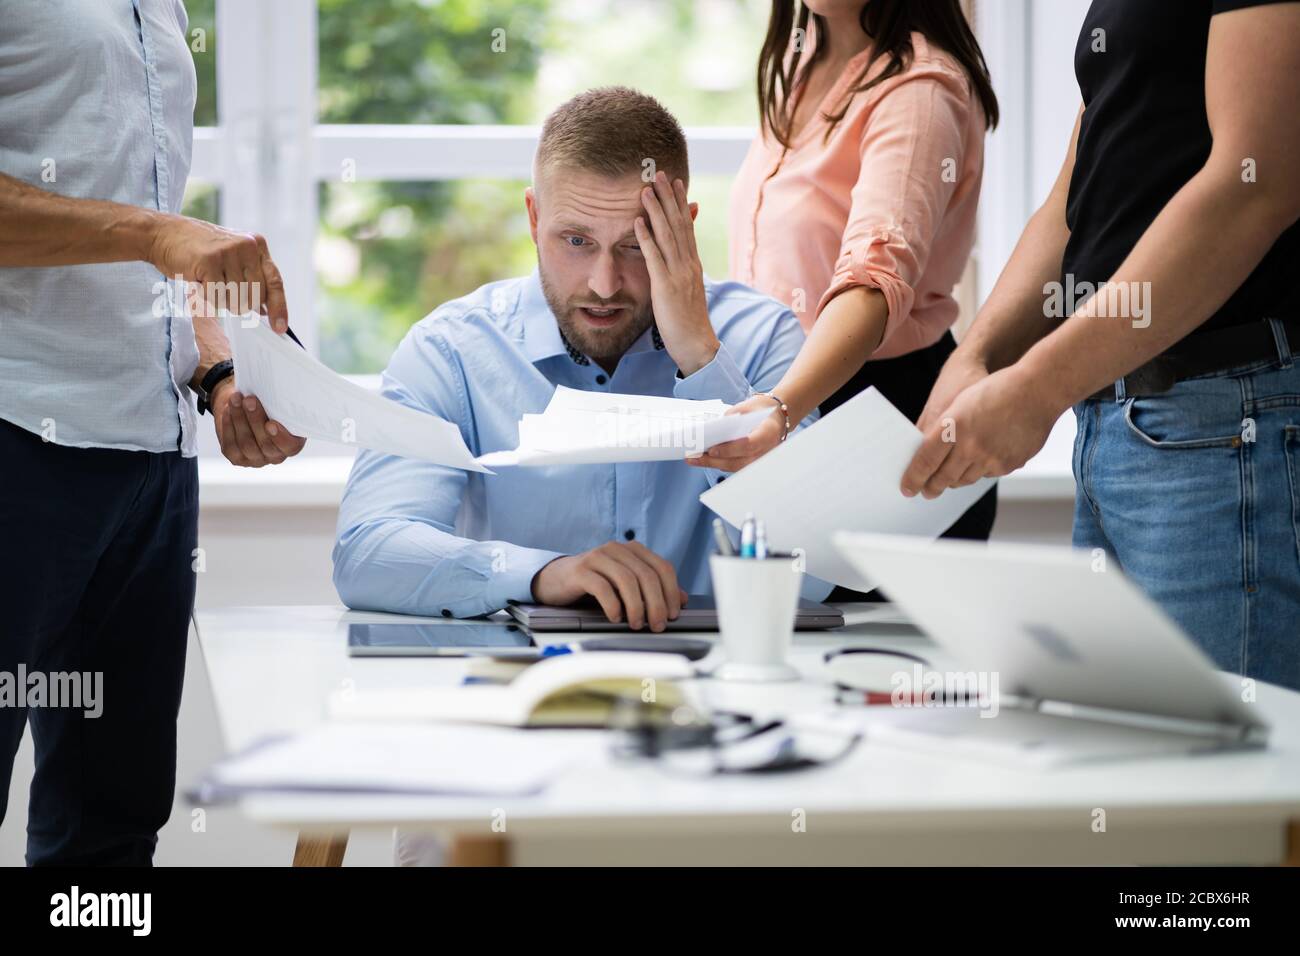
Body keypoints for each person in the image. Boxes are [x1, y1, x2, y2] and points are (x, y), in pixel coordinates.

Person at [900, 0, 1300, 690]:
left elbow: (1257, 182)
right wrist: (979, 357)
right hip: (1116, 430)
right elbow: (1074, 200)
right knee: (1127, 744)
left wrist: (1038, 386)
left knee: (1218, 756)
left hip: (1224, 423)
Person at [333, 87, 821, 635]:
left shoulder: (762, 336)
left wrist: (701, 358)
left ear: (682, 228)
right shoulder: (451, 351)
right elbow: (368, 553)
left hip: (724, 674)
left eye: (635, 244)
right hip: (519, 676)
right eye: (575, 241)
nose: (604, 284)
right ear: (533, 216)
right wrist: (543, 574)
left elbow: (816, 570)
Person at [0, 0, 305, 865]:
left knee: (115, 826)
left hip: (150, 459)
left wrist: (218, 369)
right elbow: (151, 229)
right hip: (17, 430)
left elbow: (147, 207)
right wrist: (159, 234)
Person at [694, 0, 1000, 564]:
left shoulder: (920, 91)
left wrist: (782, 406)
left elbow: (874, 280)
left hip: (880, 419)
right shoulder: (802, 61)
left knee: (854, 620)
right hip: (785, 404)